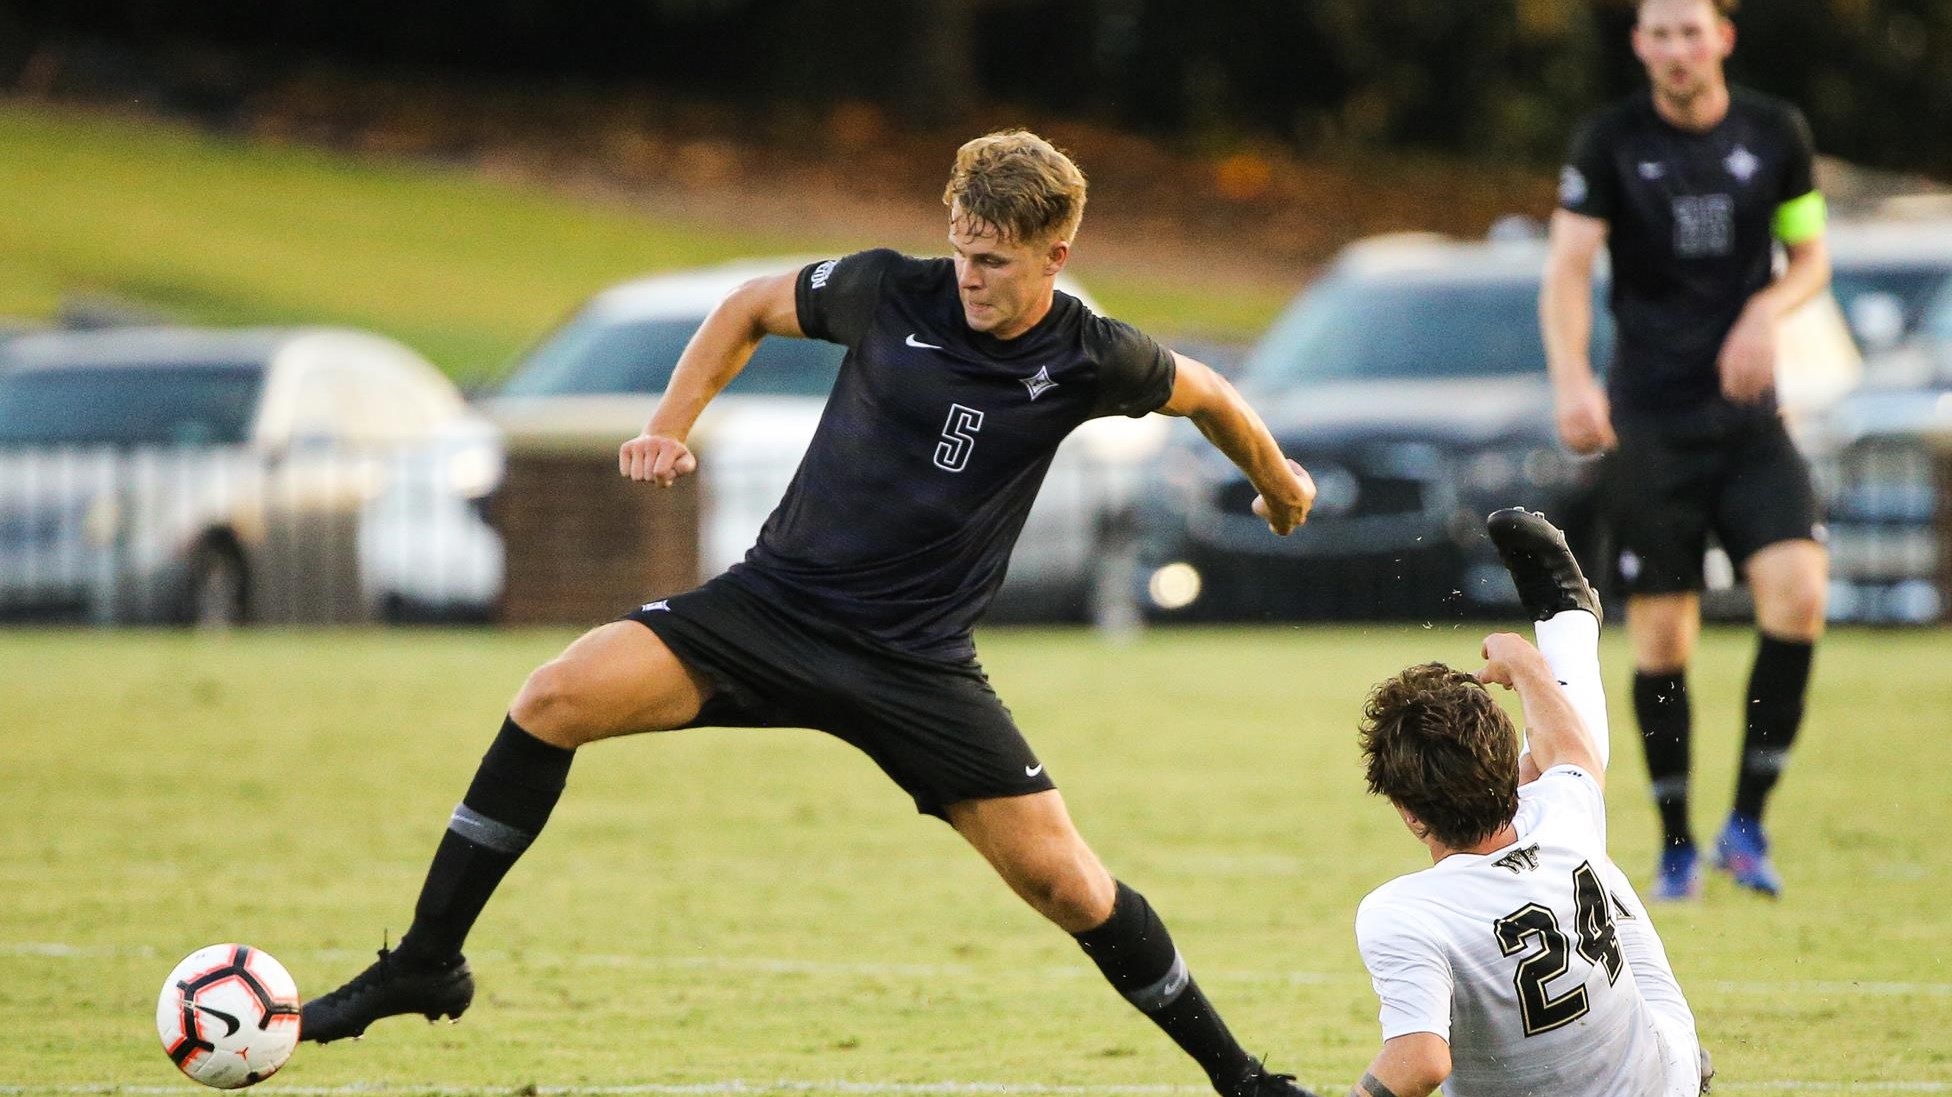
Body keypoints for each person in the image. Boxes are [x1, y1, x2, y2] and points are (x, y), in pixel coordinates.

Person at [300, 130, 1325, 1097]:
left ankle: (1241, 1078)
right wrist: (667, 425)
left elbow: (1209, 396)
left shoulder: (1093, 354)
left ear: (1054, 255)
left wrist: (1278, 485)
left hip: (914, 663)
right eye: (962, 250)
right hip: (771, 607)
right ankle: (427, 962)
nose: (969, 276)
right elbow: (745, 305)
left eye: (995, 262)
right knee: (552, 695)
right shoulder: (890, 288)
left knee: (1067, 886)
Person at [1539, 0, 1832, 899]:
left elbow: (1811, 256)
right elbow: (1569, 270)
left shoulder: (1777, 132)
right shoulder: (1608, 142)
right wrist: (1573, 380)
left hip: (1749, 421)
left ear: (1723, 37)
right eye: (1658, 34)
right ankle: (1674, 842)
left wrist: (1765, 307)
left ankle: (1747, 824)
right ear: (1640, 46)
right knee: (1665, 634)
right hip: (1651, 423)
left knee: (1801, 591)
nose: (1676, 49)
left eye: (1690, 31)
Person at [1346, 509, 1708, 1097]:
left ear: (1410, 815)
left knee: (1576, 799)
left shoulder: (1403, 912)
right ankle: (1570, 620)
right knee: (1586, 828)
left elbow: (1422, 1061)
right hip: (1667, 1078)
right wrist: (1530, 665)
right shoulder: (1559, 818)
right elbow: (1571, 752)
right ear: (1508, 781)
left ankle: (1569, 617)